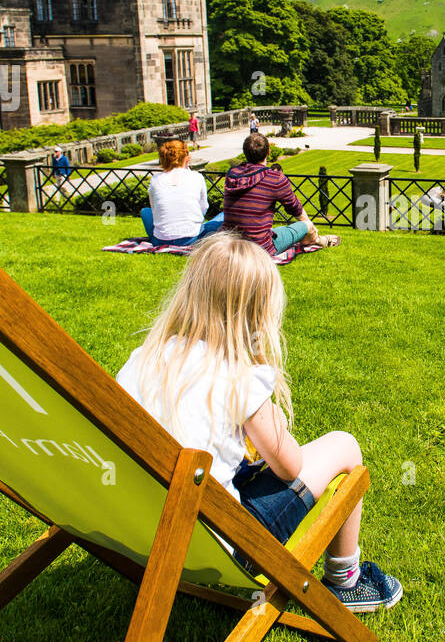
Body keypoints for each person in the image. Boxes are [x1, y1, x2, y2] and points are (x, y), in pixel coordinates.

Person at [115, 232, 402, 611]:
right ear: (257, 315)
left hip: (133, 521)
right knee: (343, 445)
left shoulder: (144, 358)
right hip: (216, 539)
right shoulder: (240, 377)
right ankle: (344, 581)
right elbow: (290, 467)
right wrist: (275, 421)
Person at [223, 132, 339, 256]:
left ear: (245, 153)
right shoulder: (274, 178)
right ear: (268, 152)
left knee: (279, 231)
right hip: (259, 248)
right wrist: (311, 229)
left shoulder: (232, 174)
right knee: (306, 226)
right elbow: (295, 209)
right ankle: (320, 240)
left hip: (230, 243)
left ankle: (313, 238)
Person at [141, 139, 224, 247]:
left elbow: (154, 208)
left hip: (160, 240)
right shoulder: (196, 177)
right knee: (223, 216)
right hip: (192, 238)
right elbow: (203, 207)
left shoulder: (156, 179)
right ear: (186, 158)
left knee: (145, 212)